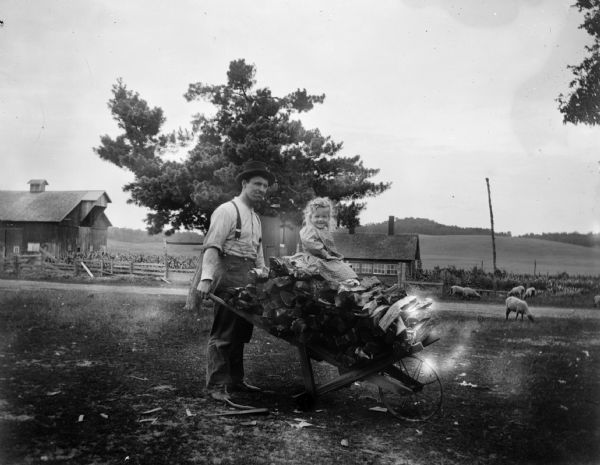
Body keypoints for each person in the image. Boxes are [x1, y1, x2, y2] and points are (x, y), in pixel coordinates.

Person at [196, 160, 274, 402]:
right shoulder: (226, 211)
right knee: (224, 333)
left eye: (265, 186)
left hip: (248, 277)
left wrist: (264, 275)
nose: (262, 189)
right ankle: (216, 386)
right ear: (244, 184)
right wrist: (206, 278)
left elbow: (257, 253)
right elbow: (212, 247)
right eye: (257, 184)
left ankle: (236, 380)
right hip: (228, 275)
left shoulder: (256, 217)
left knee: (240, 332)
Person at [299, 197, 358, 283]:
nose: (320, 219)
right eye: (317, 216)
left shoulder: (324, 231)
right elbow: (309, 243)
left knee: (341, 265)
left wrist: (333, 255)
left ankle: (348, 280)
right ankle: (346, 280)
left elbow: (330, 246)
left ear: (328, 218)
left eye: (324, 217)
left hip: (324, 258)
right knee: (334, 268)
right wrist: (325, 254)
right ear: (310, 217)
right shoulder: (310, 229)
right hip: (314, 259)